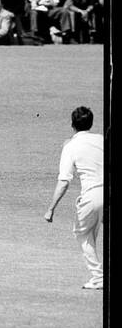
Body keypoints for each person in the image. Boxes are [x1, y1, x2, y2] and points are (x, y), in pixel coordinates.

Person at [45, 106, 104, 289]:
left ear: (72, 125)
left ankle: (98, 277)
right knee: (92, 232)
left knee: (82, 233)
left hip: (93, 194)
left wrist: (51, 209)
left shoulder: (71, 146)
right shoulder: (102, 140)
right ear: (91, 123)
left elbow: (64, 181)